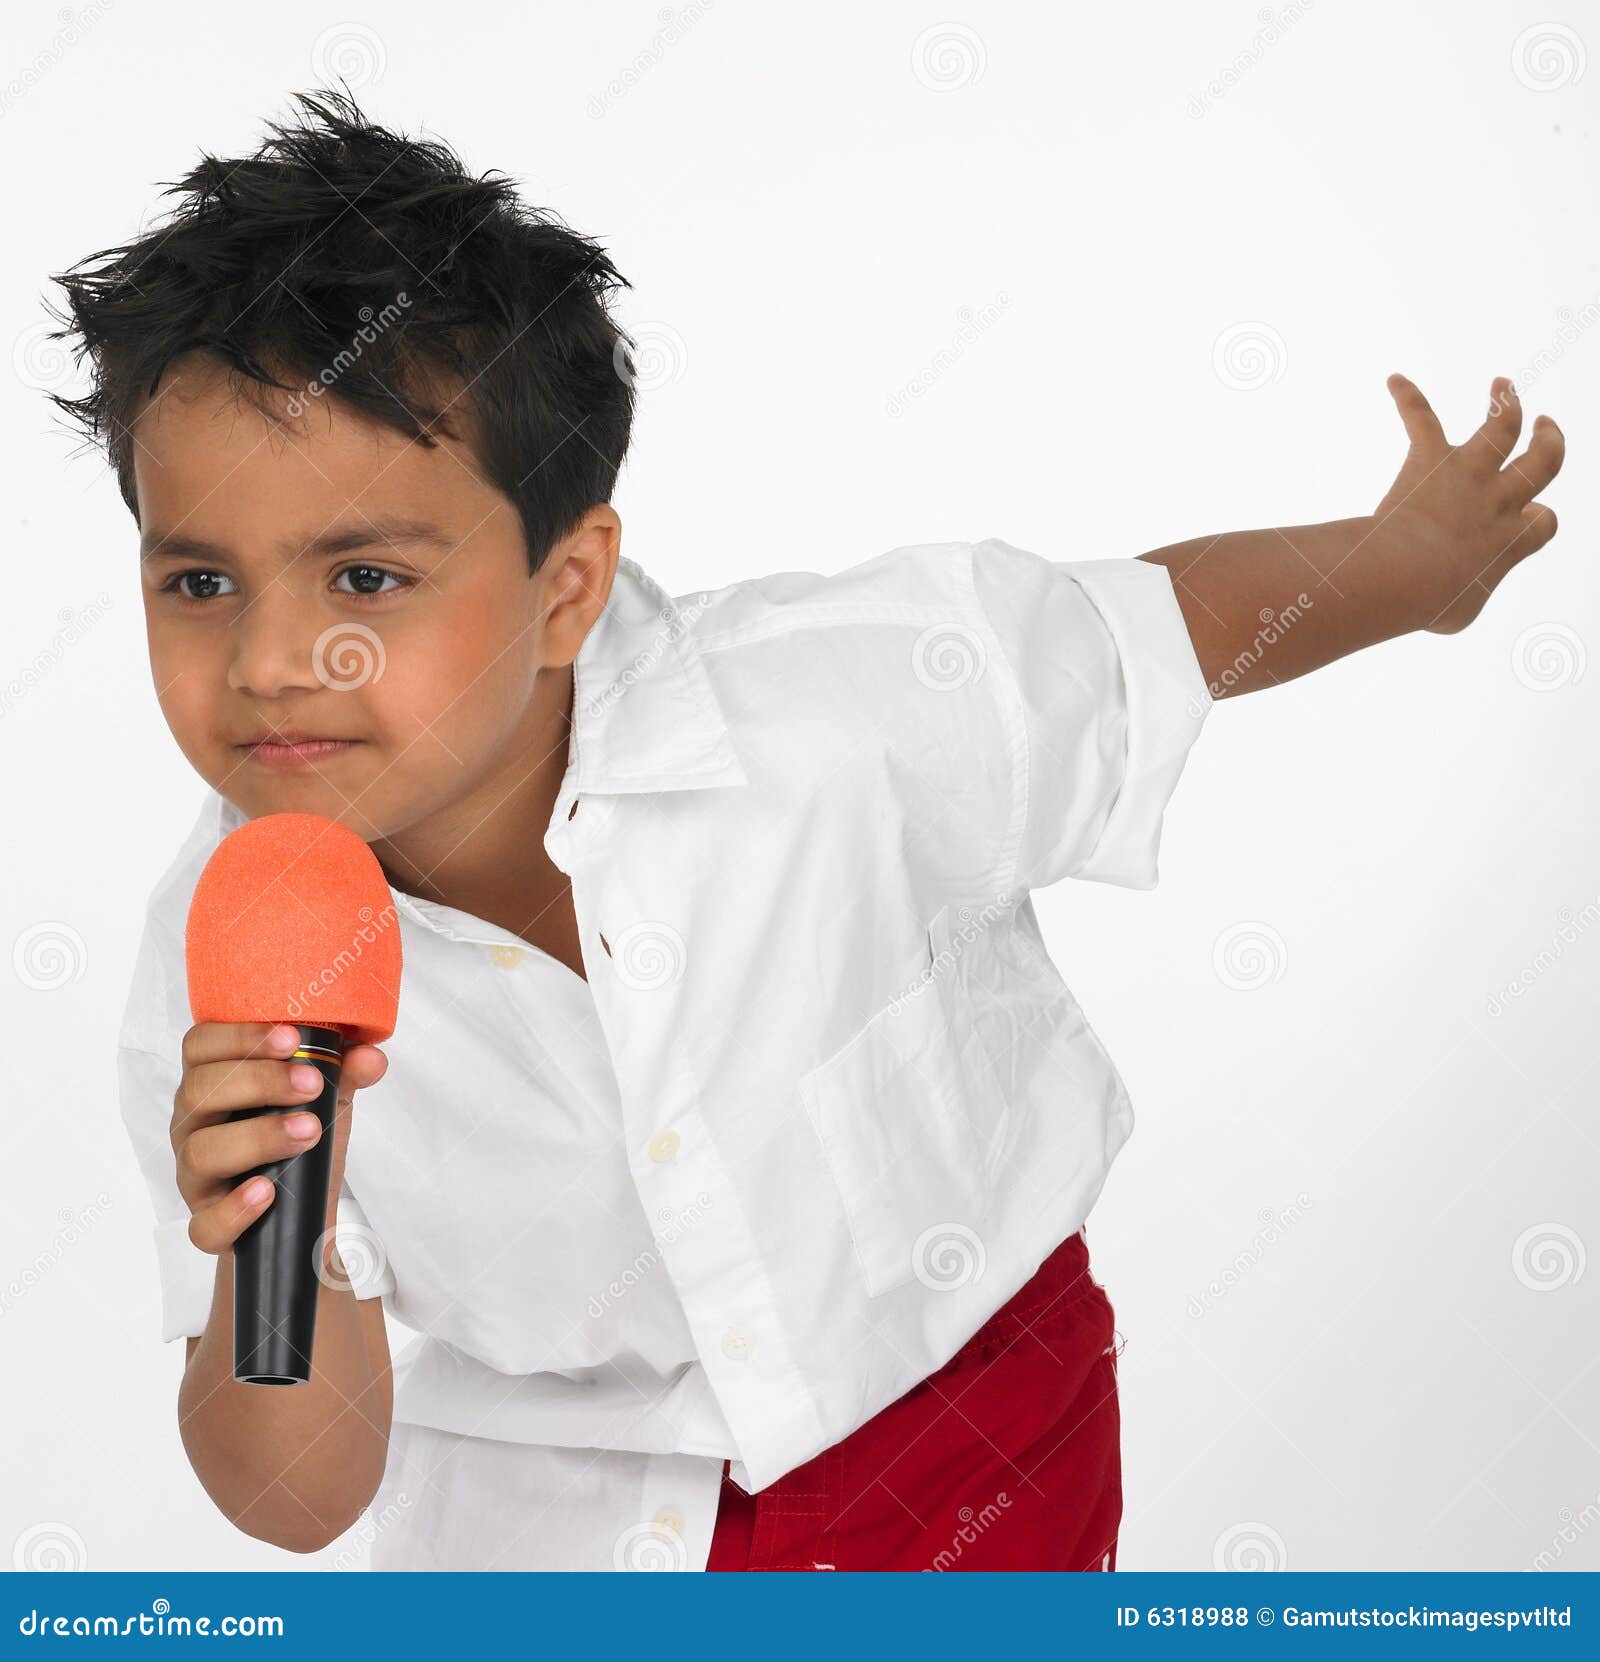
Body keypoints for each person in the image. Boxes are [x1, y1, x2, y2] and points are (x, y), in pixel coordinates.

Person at [49, 89, 1564, 1571]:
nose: (267, 661)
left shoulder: (835, 714)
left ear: (564, 586)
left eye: (365, 579)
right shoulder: (222, 960)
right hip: (554, 1514)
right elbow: (296, 1497)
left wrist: (1406, 563)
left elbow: (1145, 633)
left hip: (966, 1425)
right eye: (199, 583)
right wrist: (279, 1242)